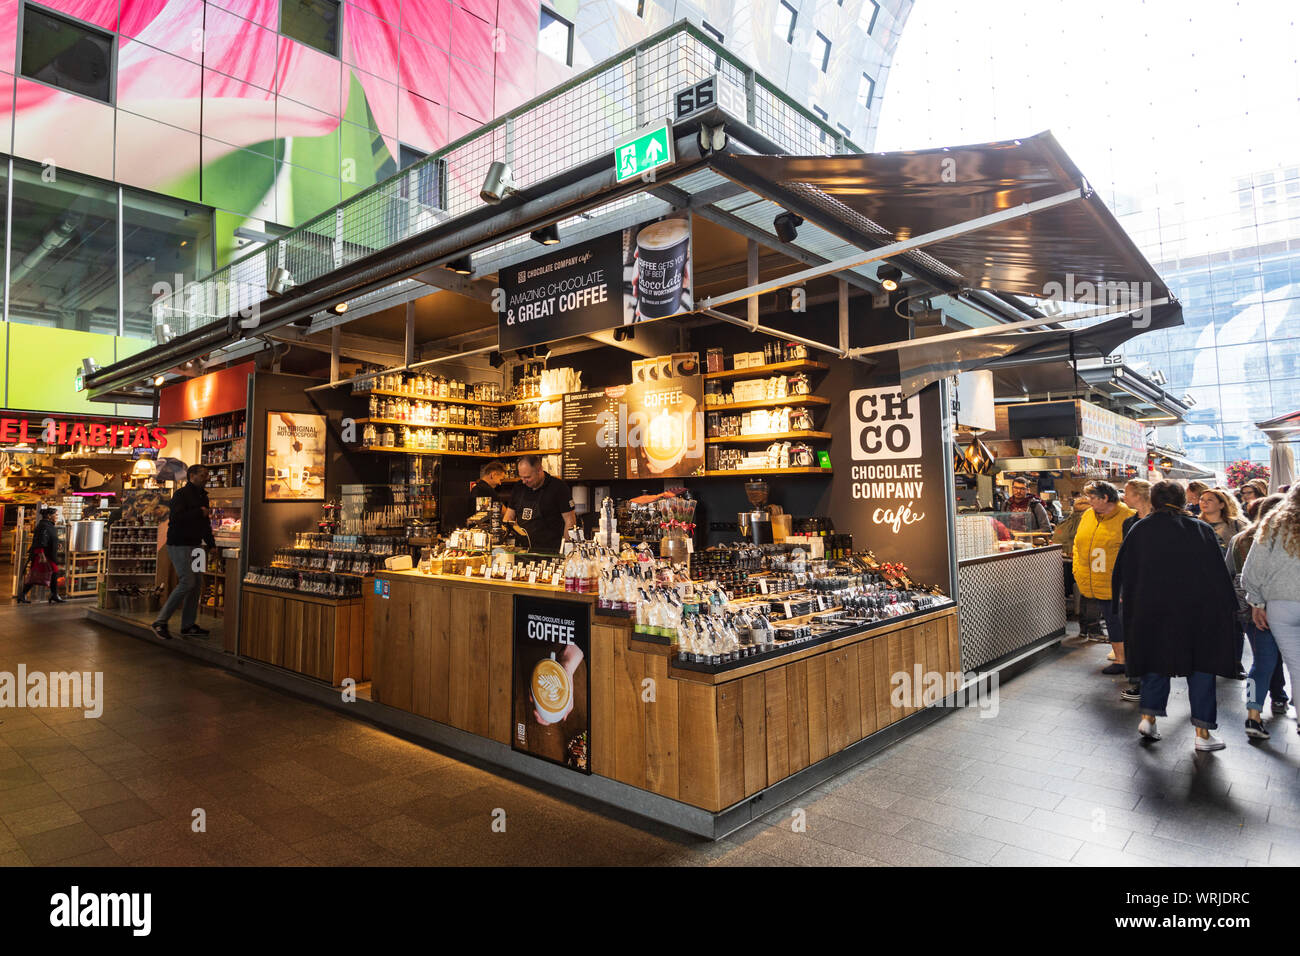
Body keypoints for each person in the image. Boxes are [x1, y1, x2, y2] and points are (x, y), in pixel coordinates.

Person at [1114, 480, 1239, 751]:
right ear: (1184, 501)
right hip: (1197, 610)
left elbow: (1126, 572)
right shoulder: (1200, 529)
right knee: (1201, 665)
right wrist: (1228, 609)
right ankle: (1203, 734)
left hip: (1151, 609)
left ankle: (1148, 718)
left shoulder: (1140, 529)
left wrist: (1127, 606)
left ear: (1155, 501)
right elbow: (1218, 574)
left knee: (1154, 660)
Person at [1241, 485, 1300, 739]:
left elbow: (1252, 569)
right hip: (1278, 603)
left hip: (1278, 604)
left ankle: (1254, 714)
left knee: (1290, 666)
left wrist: (1257, 602)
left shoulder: (1273, 523)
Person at [1228, 493, 1289, 736]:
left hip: (1251, 610)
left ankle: (1253, 714)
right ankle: (1280, 698)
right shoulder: (1290, 538)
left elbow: (1229, 572)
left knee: (1262, 662)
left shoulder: (1240, 539)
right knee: (1289, 661)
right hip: (1285, 606)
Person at [151, 464, 215, 640]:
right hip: (179, 544)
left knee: (197, 584)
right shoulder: (180, 495)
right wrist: (198, 512)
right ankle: (160, 622)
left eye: (207, 475)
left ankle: (188, 625)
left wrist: (211, 544)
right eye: (203, 475)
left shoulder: (204, 497)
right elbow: (176, 518)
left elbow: (204, 523)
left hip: (197, 546)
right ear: (192, 476)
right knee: (187, 582)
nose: (207, 477)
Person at [1071, 481, 1135, 654]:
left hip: (1118, 584)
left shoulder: (1129, 517)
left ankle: (1128, 658)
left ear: (1105, 498)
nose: (1089, 501)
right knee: (1111, 620)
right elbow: (1078, 544)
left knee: (1121, 621)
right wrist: (1077, 569)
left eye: (1092, 497)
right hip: (1092, 580)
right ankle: (1120, 656)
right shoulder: (1088, 515)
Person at [503, 455, 576, 553]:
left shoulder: (558, 487)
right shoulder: (519, 487)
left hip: (550, 552)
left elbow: (570, 520)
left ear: (539, 470)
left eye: (528, 477)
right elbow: (509, 516)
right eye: (521, 477)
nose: (524, 481)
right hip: (522, 551)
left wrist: (567, 550)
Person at [1052, 492, 1090, 618]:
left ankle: (1081, 615)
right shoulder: (1087, 520)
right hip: (1079, 561)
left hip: (1062, 559)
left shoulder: (1068, 521)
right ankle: (1083, 615)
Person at [16, 507, 63, 604]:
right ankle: (53, 595)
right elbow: (40, 541)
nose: (57, 517)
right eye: (56, 515)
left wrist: (56, 544)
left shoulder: (48, 525)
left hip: (46, 555)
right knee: (46, 573)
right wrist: (42, 555)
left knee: (40, 575)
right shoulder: (44, 526)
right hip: (42, 556)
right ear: (49, 516)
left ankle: (23, 594)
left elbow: (49, 538)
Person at [1198, 487, 1249, 553]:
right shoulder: (1194, 524)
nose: (1204, 502)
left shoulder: (1237, 524)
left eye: (1210, 500)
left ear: (1221, 505)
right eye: (1201, 499)